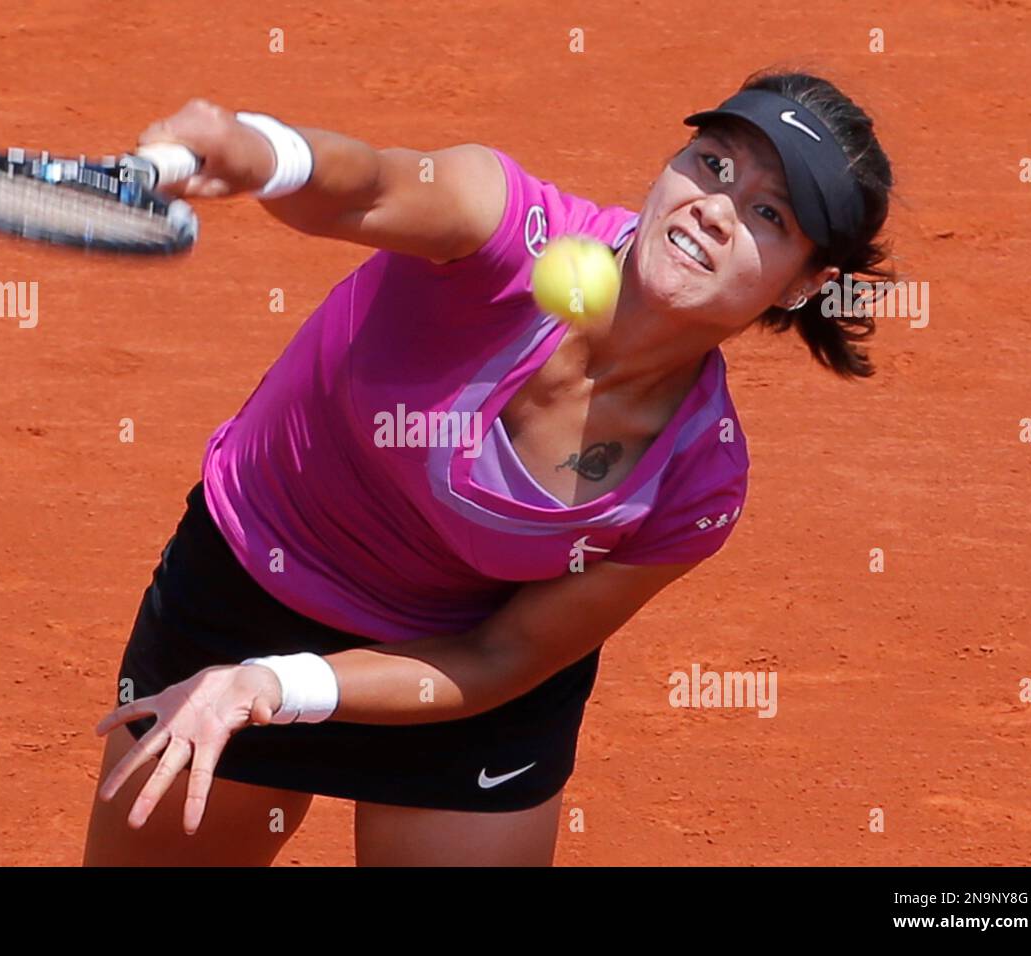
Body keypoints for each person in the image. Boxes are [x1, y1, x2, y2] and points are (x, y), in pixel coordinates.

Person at [82, 69, 895, 866]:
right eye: (712, 164)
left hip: (458, 680)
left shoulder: (696, 485)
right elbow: (364, 184)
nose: (714, 209)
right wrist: (256, 151)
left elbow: (502, 658)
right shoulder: (503, 226)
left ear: (805, 286)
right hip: (256, 587)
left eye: (767, 213)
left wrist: (275, 687)